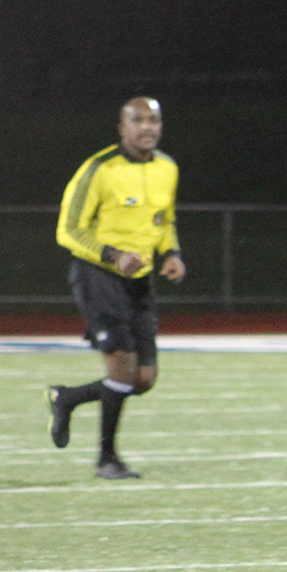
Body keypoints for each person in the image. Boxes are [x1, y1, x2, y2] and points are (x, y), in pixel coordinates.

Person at [45, 97, 185, 479]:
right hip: (99, 277)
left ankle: (68, 397)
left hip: (139, 280)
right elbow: (67, 230)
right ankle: (107, 459)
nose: (147, 127)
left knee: (144, 379)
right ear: (121, 129)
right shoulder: (99, 169)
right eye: (137, 120)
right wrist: (112, 254)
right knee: (122, 372)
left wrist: (170, 252)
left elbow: (164, 219)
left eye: (153, 120)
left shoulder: (167, 168)